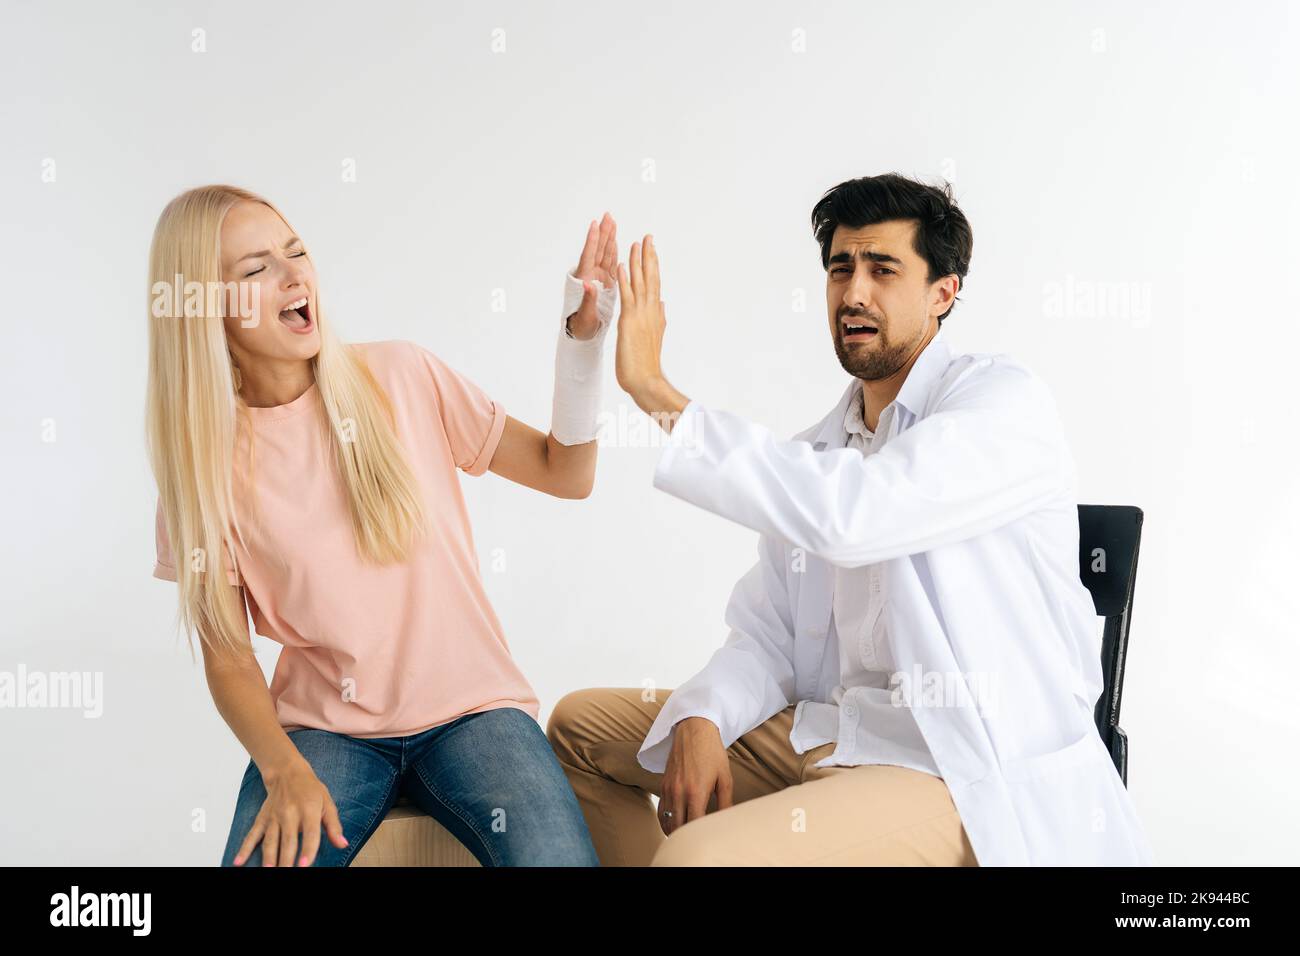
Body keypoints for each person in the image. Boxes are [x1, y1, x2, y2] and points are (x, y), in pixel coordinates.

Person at [549, 173, 1154, 866]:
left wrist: (655, 393)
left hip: (955, 767)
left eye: (882, 269)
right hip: (835, 735)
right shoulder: (820, 451)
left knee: (698, 857)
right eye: (841, 268)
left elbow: (857, 514)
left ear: (943, 293)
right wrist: (702, 714)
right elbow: (769, 638)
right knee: (580, 730)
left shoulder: (1002, 407)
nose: (854, 292)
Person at [147, 184, 617, 866]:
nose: (293, 274)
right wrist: (283, 770)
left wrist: (583, 340)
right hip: (325, 731)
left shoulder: (401, 374)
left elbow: (564, 472)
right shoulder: (203, 468)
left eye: (296, 252)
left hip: (473, 710)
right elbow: (227, 653)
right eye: (256, 269)